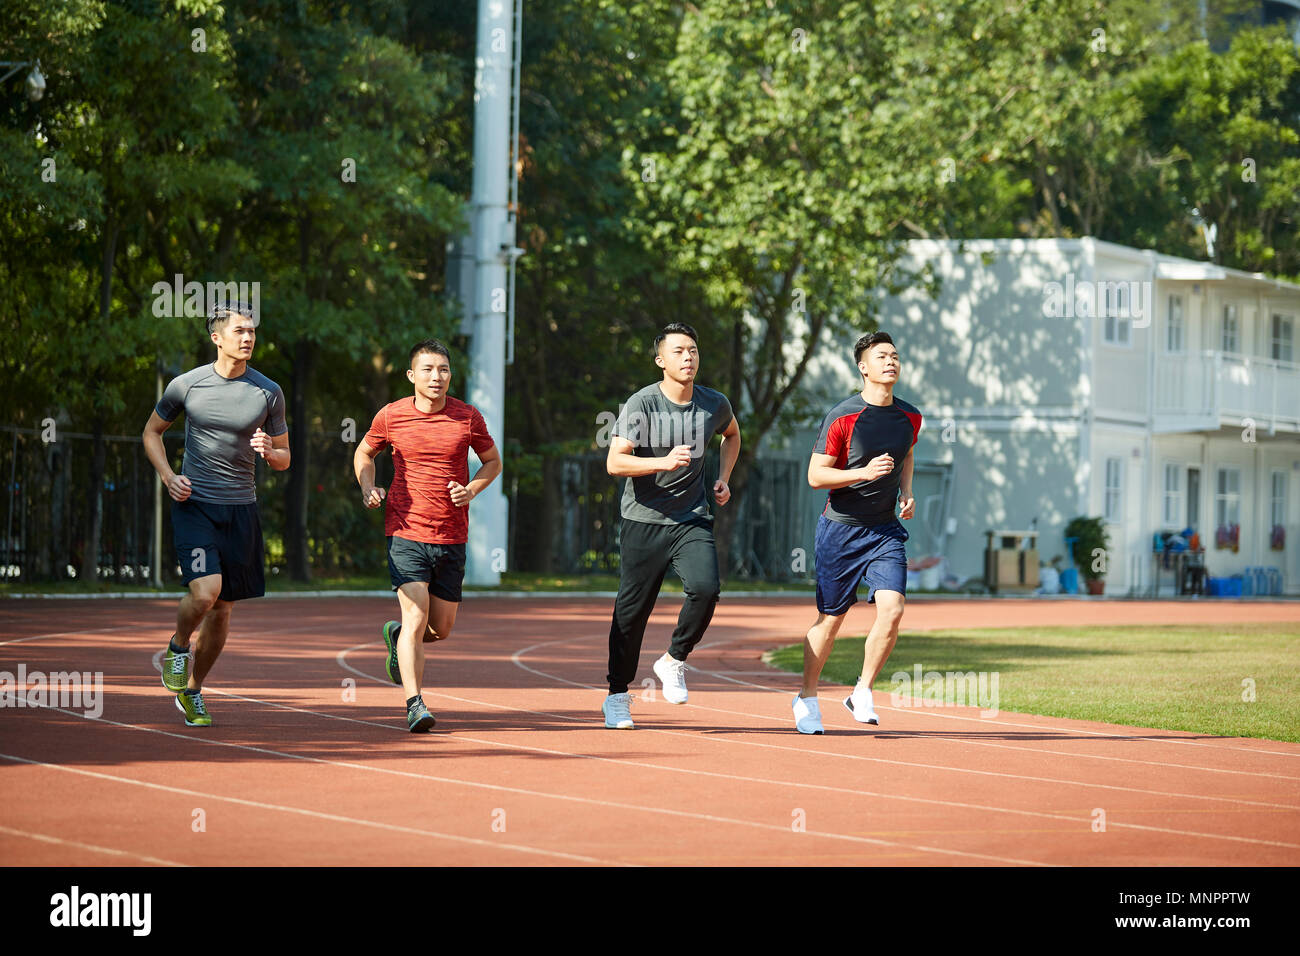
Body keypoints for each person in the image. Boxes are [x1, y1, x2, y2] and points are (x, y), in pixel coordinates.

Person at [143, 302, 290, 727]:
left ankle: (193, 690)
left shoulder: (269, 392)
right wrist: (168, 476)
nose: (248, 338)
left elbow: (285, 458)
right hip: (196, 505)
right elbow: (151, 433)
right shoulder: (186, 386)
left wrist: (271, 452)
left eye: (252, 332)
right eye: (240, 331)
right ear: (217, 337)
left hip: (241, 509)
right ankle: (177, 645)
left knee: (224, 609)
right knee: (205, 592)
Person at [353, 339, 501, 732]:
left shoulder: (467, 417)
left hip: (452, 534)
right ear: (411, 376)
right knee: (416, 616)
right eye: (428, 370)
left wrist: (471, 489)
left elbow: (492, 463)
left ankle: (397, 637)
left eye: (444, 370)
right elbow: (364, 453)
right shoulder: (392, 416)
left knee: (440, 629)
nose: (437, 377)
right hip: (405, 529)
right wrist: (368, 486)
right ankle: (415, 703)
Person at [602, 323, 741, 729]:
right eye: (679, 351)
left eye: (693, 350)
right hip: (643, 520)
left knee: (706, 588)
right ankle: (617, 695)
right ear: (661, 360)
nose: (688, 357)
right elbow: (615, 463)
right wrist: (660, 462)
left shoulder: (714, 403)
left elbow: (731, 436)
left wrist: (724, 477)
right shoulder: (642, 404)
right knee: (632, 612)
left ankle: (674, 659)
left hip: (691, 517)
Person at [792, 331, 920, 735]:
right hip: (841, 530)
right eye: (881, 356)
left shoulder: (910, 417)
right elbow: (816, 475)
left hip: (884, 530)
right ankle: (807, 697)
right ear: (863, 367)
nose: (891, 361)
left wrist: (907, 491)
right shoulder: (842, 416)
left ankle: (862, 690)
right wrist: (861, 473)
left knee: (893, 608)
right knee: (831, 620)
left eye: (895, 356)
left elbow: (908, 451)